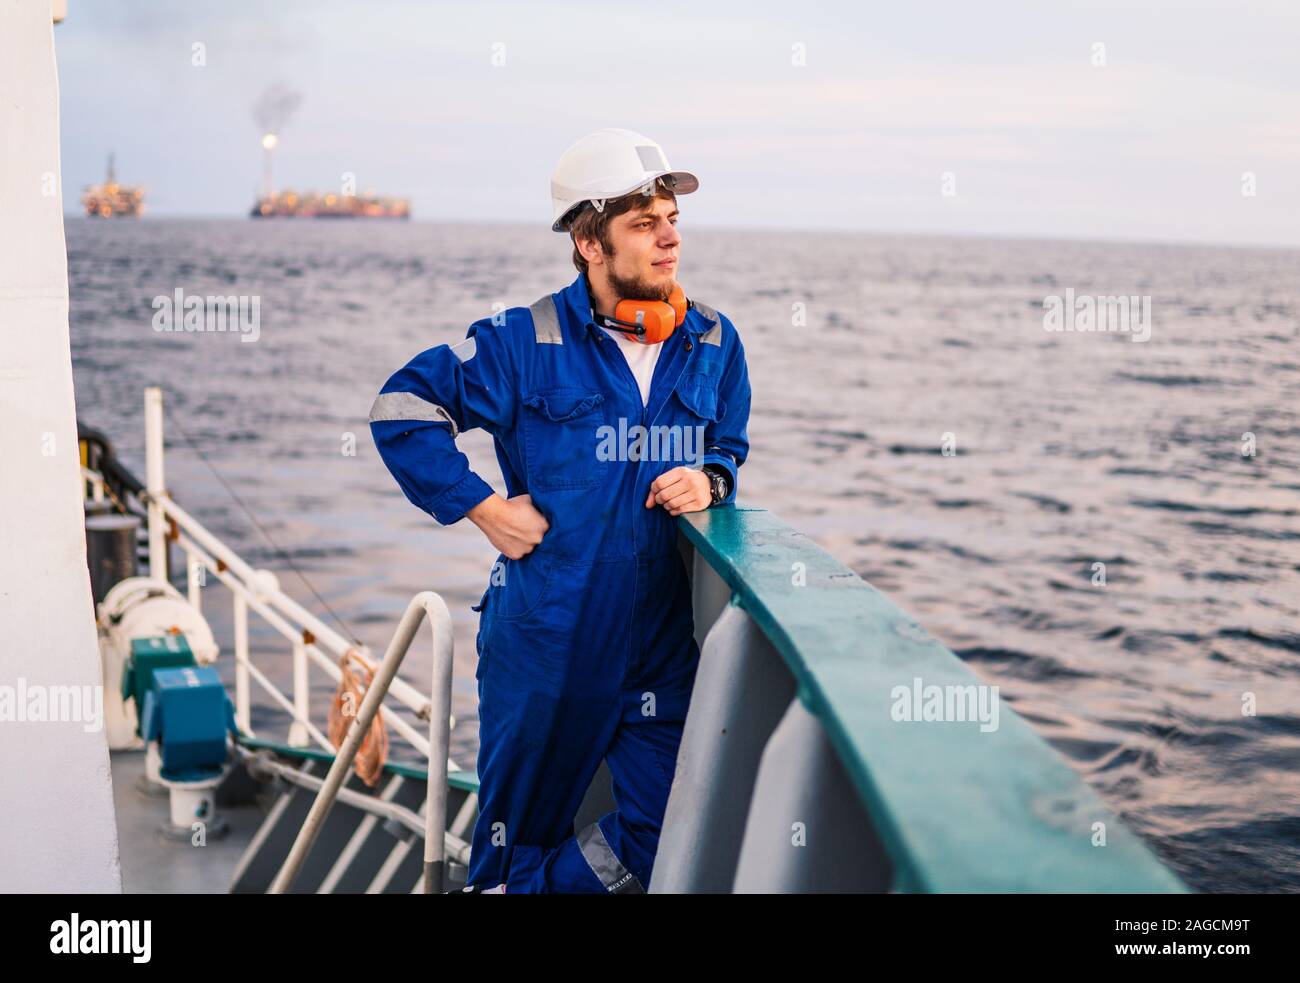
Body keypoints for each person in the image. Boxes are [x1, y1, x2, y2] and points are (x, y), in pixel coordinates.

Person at [369, 128, 751, 893]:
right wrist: (484, 508)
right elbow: (401, 408)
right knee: (512, 841)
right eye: (644, 223)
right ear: (589, 242)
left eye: (672, 219)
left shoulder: (713, 341)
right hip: (546, 646)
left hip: (659, 652)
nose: (670, 238)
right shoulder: (524, 341)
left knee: (666, 834)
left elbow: (729, 443)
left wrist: (711, 480)